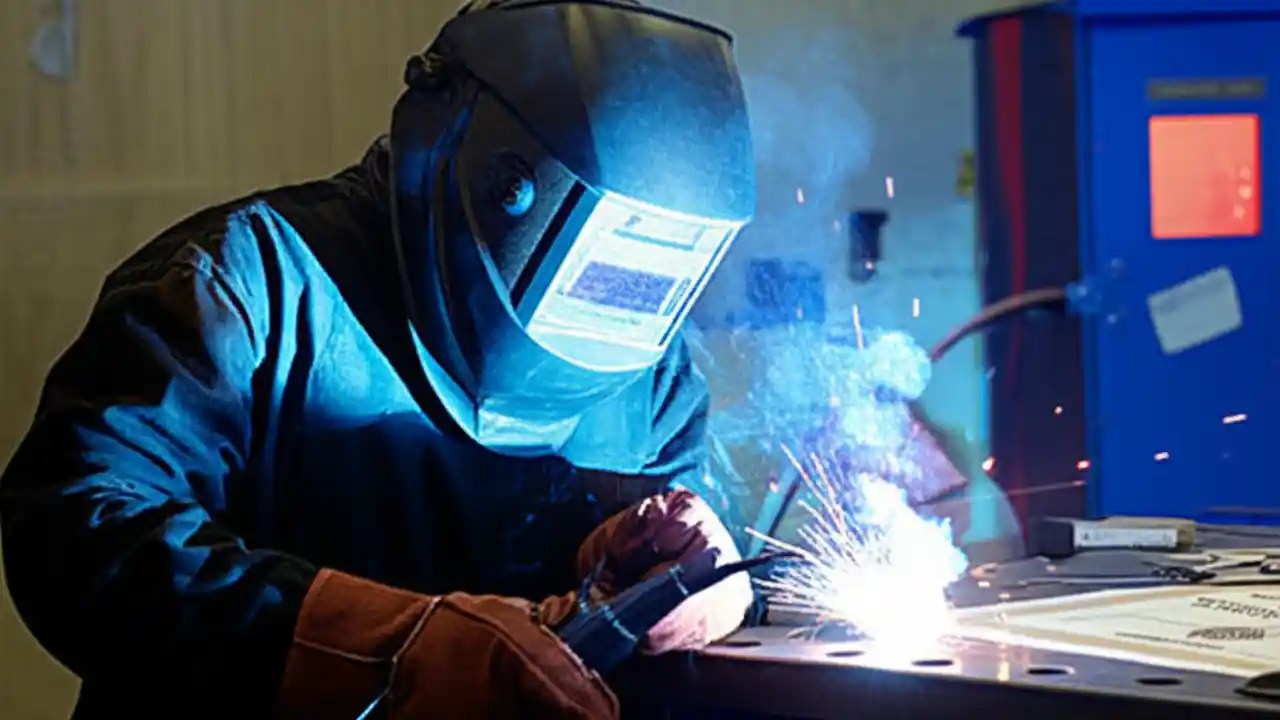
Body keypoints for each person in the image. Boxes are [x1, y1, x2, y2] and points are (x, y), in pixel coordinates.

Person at [0, 1, 758, 717]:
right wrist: (384, 647)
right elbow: (80, 532)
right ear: (499, 176)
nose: (618, 301)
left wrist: (692, 577)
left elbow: (689, 537)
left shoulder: (649, 370)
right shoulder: (251, 285)